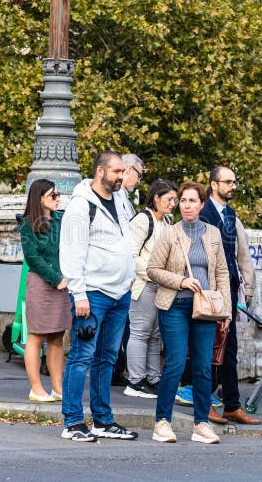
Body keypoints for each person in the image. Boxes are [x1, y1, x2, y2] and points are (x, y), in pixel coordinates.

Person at [58, 151, 137, 442]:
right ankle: (73, 422)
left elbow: (128, 240)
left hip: (120, 293)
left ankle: (102, 420)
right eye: (116, 171)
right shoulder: (81, 206)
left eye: (123, 171)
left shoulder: (120, 199)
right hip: (91, 294)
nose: (121, 176)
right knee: (81, 357)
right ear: (100, 172)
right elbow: (71, 252)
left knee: (107, 359)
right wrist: (78, 294)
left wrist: (130, 279)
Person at [147, 181, 231, 444]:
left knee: (204, 368)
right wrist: (181, 281)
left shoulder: (213, 233)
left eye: (192, 201)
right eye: (183, 201)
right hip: (175, 306)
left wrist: (225, 310)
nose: (186, 205)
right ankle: (162, 422)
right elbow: (153, 269)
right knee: (174, 363)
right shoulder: (170, 233)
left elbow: (221, 272)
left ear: (202, 204)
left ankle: (201, 424)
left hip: (205, 308)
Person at [197, 165, 259, 425]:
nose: (233, 186)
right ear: (214, 185)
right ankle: (208, 403)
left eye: (234, 181)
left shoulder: (231, 214)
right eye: (228, 182)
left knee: (230, 348)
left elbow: (240, 255)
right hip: (209, 288)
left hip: (230, 288)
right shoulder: (203, 213)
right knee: (211, 348)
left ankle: (232, 405)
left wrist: (248, 288)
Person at [124, 179, 177, 398]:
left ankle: (153, 378)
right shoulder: (142, 220)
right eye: (169, 199)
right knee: (140, 332)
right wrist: (155, 273)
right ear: (156, 198)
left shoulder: (167, 222)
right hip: (144, 284)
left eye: (175, 199)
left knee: (156, 335)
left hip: (161, 286)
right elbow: (131, 255)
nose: (173, 203)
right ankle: (135, 381)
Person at [19, 179, 71, 402]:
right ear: (40, 198)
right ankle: (36, 388)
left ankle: (58, 388)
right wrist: (55, 278)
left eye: (58, 194)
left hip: (63, 283)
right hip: (42, 283)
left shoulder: (62, 220)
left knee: (58, 337)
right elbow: (33, 258)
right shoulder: (28, 224)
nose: (58, 198)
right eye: (53, 195)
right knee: (36, 336)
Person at [110, 153, 146, 386]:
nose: (139, 181)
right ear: (129, 170)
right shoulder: (116, 195)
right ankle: (115, 368)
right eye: (139, 176)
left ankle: (117, 367)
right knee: (119, 325)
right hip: (116, 270)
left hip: (124, 271)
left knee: (123, 324)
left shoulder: (123, 197)